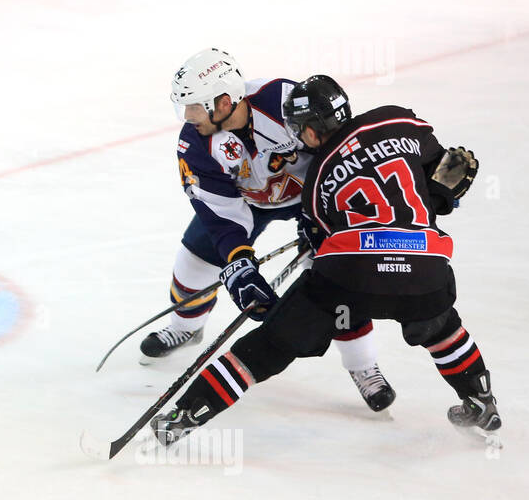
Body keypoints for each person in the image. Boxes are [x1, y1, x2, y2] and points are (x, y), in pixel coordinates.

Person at [153, 74, 498, 446]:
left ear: (312, 133)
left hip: (351, 276)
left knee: (272, 344)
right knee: (442, 328)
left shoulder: (316, 177)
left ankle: (185, 413)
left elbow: (330, 236)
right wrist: (443, 197)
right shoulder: (396, 121)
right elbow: (445, 169)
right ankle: (481, 400)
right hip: (425, 268)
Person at [144, 49, 395, 411]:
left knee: (335, 276)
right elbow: (220, 211)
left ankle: (363, 366)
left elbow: (336, 149)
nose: (187, 116)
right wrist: (238, 261)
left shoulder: (284, 102)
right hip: (248, 203)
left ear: (225, 101)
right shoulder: (196, 143)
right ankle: (188, 324)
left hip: (312, 198)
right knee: (196, 259)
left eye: (195, 106)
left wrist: (327, 216)